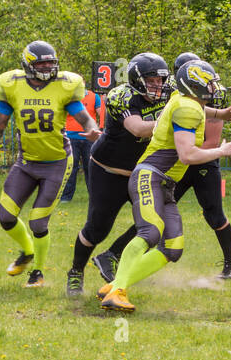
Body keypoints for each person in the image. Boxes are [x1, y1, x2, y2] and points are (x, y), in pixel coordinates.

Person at [98, 58, 231, 312]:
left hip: (164, 182)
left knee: (173, 246)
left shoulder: (183, 99)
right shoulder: (187, 108)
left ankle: (113, 287)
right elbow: (188, 155)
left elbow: (198, 111)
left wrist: (220, 114)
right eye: (209, 84)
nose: (214, 88)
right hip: (151, 176)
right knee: (150, 232)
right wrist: (224, 149)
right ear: (196, 85)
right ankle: (118, 289)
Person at [0, 41, 100, 287]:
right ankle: (28, 252)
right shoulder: (12, 85)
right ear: (28, 64)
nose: (46, 67)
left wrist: (93, 129)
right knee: (6, 216)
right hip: (27, 162)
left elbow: (84, 118)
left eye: (50, 62)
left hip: (57, 162)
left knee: (38, 222)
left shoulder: (64, 86)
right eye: (41, 62)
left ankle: (38, 272)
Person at [66, 52, 171, 297]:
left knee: (154, 223)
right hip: (109, 171)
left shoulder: (169, 91)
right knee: (97, 228)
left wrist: (216, 114)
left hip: (142, 172)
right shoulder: (121, 95)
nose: (158, 85)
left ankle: (111, 256)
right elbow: (138, 129)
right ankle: (75, 272)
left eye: (161, 80)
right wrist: (171, 119)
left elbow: (191, 105)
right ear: (137, 78)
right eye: (152, 80)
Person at [171, 51, 231, 279]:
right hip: (181, 161)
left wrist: (185, 154)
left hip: (201, 161)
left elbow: (211, 142)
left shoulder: (209, 97)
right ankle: (123, 256)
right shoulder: (176, 98)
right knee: (155, 208)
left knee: (214, 215)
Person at [59, 81, 102, 201]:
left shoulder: (94, 96)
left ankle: (94, 197)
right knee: (70, 168)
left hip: (90, 138)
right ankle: (65, 198)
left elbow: (101, 113)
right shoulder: (68, 97)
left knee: (91, 167)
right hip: (71, 137)